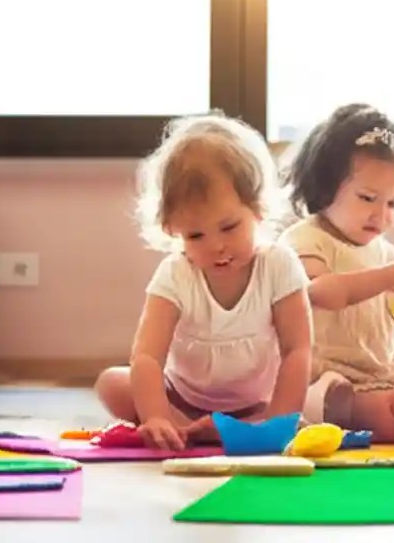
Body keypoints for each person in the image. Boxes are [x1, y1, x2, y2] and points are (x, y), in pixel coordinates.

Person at [95, 113, 313, 450]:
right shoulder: (175, 274)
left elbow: (297, 349)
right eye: (195, 235)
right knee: (112, 383)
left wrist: (277, 423)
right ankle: (185, 428)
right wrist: (156, 416)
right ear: (172, 229)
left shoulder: (279, 265)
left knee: (302, 408)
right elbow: (148, 357)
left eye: (229, 227)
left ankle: (233, 429)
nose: (216, 246)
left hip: (255, 407)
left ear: (257, 209)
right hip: (182, 400)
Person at [279, 103, 394, 442]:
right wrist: (388, 277)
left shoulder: (380, 250)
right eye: (368, 198)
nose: (381, 215)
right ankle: (375, 417)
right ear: (325, 187)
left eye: (393, 203)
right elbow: (322, 292)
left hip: (373, 373)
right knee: (358, 407)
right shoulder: (306, 239)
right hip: (320, 377)